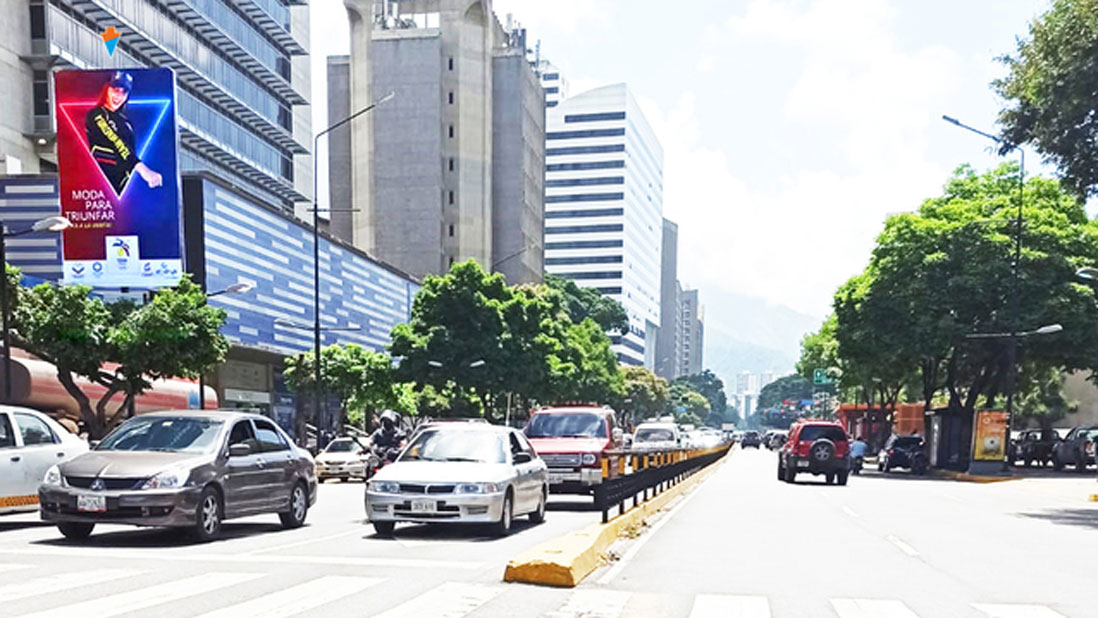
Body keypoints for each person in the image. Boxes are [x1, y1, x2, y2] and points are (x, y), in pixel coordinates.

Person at [85, 71, 162, 194]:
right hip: (100, 182)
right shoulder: (97, 114)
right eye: (115, 89)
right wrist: (144, 170)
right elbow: (116, 142)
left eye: (124, 92)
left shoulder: (125, 123)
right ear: (107, 90)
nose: (119, 96)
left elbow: (128, 151)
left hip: (122, 186)